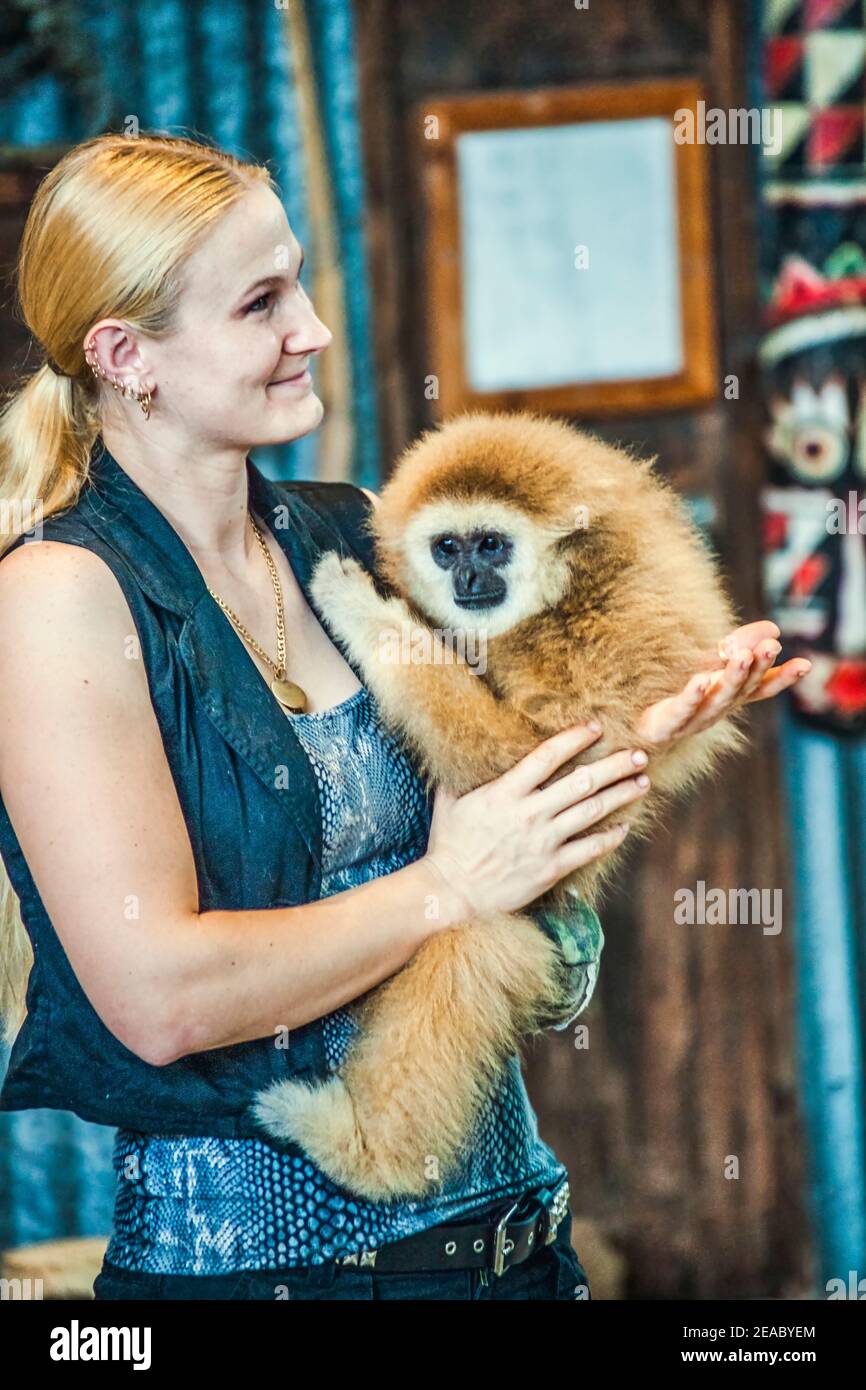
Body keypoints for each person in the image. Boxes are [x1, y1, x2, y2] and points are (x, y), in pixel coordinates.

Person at [0, 133, 808, 1303]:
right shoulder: (58, 601)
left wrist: (652, 728)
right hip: (270, 1279)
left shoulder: (359, 536)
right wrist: (448, 887)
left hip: (515, 1244)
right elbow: (162, 998)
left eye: (302, 281)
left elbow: (513, 802)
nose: (313, 329)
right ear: (128, 356)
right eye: (262, 301)